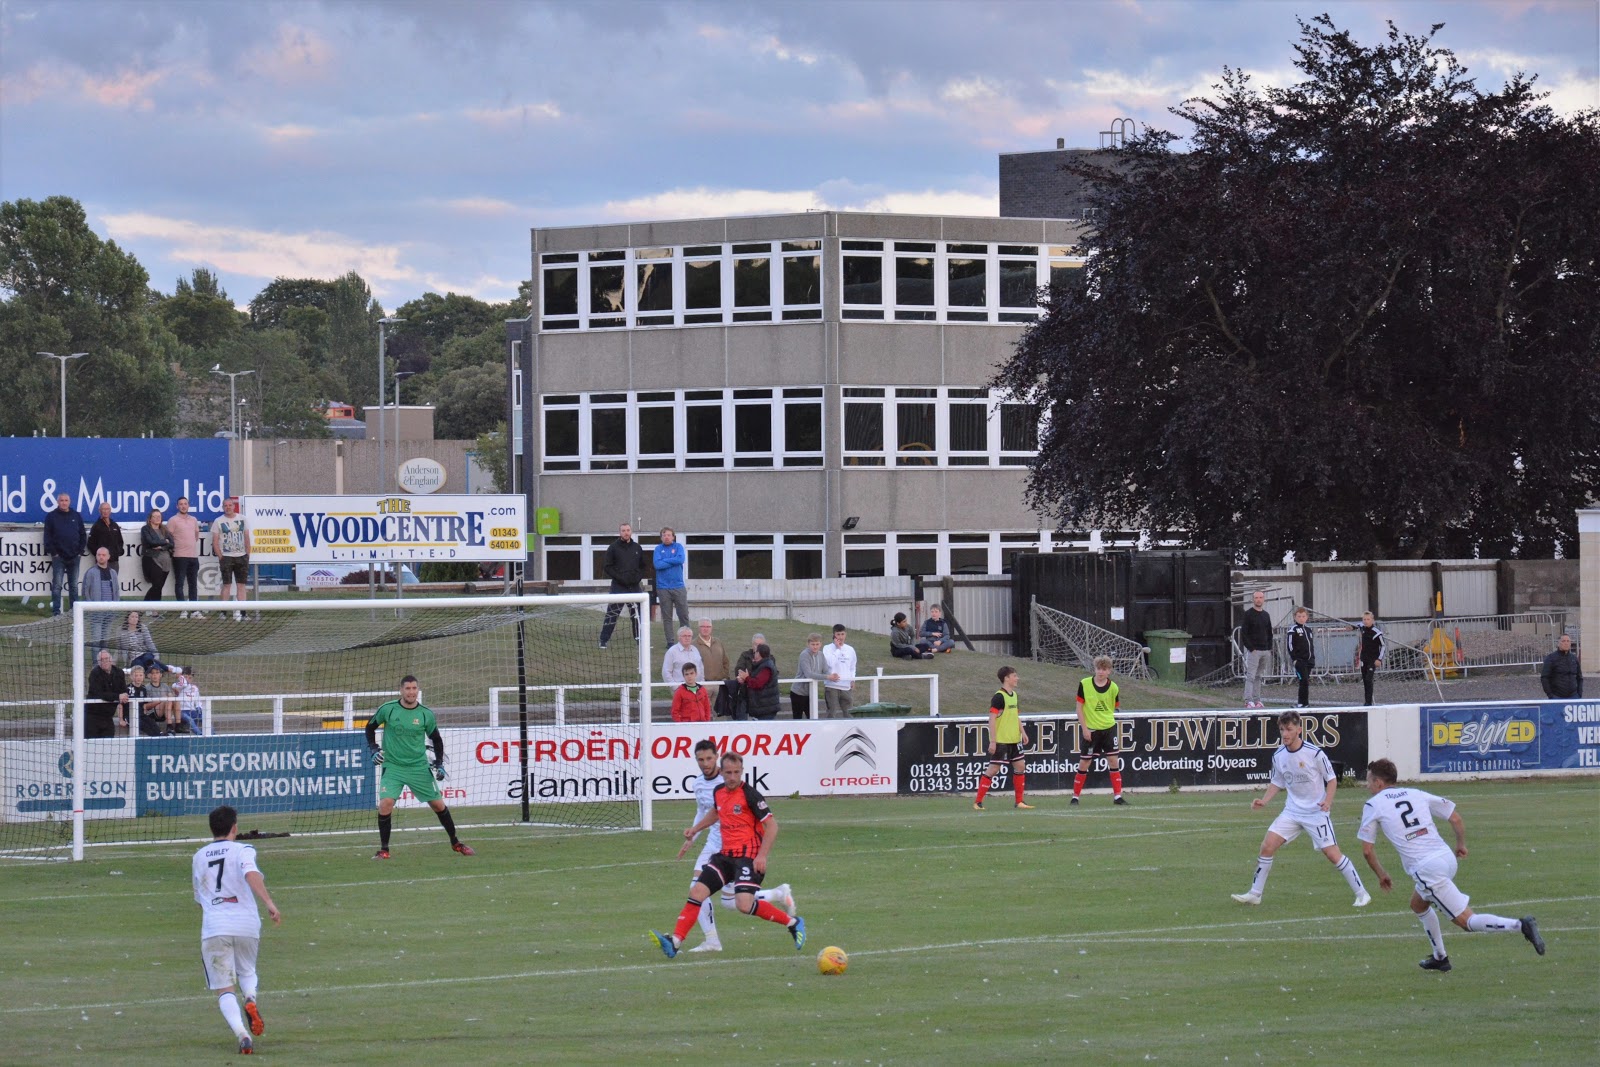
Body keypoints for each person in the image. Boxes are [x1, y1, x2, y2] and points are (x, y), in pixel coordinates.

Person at [1357, 758, 1545, 972]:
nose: (1367, 785)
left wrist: (1381, 874)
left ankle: (1520, 925)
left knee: (1467, 921)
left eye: (1369, 780)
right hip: (1446, 858)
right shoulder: (1416, 793)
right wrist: (1461, 845)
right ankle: (1440, 958)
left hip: (1427, 868)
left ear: (1379, 782)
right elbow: (1455, 818)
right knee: (1418, 904)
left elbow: (1367, 850)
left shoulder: (1373, 804)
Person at [651, 751, 805, 958]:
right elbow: (716, 812)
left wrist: (762, 856)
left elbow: (772, 826)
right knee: (696, 892)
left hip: (748, 858)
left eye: (737, 772)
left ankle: (793, 923)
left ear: (742, 771)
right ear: (721, 772)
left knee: (742, 905)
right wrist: (695, 829)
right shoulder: (719, 791)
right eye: (729, 773)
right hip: (725, 856)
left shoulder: (750, 794)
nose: (733, 777)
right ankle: (675, 942)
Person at [1230, 710, 1370, 907]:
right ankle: (1255, 893)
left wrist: (1327, 802)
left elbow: (1331, 779)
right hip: (1292, 811)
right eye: (1281, 730)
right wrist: (1265, 800)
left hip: (1316, 813)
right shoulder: (1279, 755)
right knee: (1267, 846)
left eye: (1289, 729)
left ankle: (1362, 893)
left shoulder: (1314, 753)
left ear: (1299, 729)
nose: (1285, 734)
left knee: (1332, 854)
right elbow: (1277, 781)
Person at [192, 804, 281, 1055]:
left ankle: (243, 1035)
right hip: (246, 923)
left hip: (215, 927)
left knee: (224, 987)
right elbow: (252, 874)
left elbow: (199, 898)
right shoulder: (243, 849)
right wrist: (269, 903)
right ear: (235, 828)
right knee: (247, 970)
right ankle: (250, 998)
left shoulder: (198, 857)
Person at [365, 675, 474, 859]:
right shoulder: (388, 709)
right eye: (407, 688)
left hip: (418, 767)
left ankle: (456, 843)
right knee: (385, 804)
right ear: (401, 690)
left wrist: (439, 763)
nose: (411, 692)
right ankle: (384, 850)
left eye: (414, 688)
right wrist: (374, 749)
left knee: (438, 805)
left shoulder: (425, 714)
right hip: (393, 767)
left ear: (418, 690)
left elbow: (436, 739)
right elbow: (369, 728)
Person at [973, 665, 1031, 810]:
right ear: (1006, 678)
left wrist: (1022, 732)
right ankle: (978, 802)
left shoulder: (1015, 695)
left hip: (1014, 739)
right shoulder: (999, 697)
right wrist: (993, 741)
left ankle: (1019, 802)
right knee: (993, 769)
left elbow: (1015, 716)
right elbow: (992, 718)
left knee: (1020, 766)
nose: (1017, 678)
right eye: (1015, 676)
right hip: (1001, 740)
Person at [1071, 655, 1127, 805]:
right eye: (1098, 669)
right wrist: (1085, 729)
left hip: (1108, 728)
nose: (1100, 672)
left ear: (1109, 671)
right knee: (1084, 763)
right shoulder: (1084, 684)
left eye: (1104, 669)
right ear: (1094, 669)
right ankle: (1075, 797)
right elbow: (1079, 708)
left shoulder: (1114, 687)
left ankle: (1118, 797)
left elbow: (1114, 706)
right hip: (1091, 730)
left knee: (1113, 761)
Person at [598, 522, 646, 649]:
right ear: (620, 532)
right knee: (612, 614)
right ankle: (603, 640)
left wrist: (635, 578)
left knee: (637, 615)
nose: (626, 532)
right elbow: (607, 567)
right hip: (618, 587)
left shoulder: (637, 548)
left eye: (628, 530)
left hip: (634, 587)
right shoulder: (613, 547)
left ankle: (639, 639)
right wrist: (621, 578)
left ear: (631, 531)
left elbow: (642, 567)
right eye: (623, 530)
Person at [43, 492, 86, 617]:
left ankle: (74, 612)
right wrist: (54, 553)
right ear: (58, 502)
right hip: (59, 557)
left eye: (66, 500)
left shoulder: (76, 516)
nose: (64, 502)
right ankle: (56, 612)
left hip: (74, 557)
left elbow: (83, 534)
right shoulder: (51, 516)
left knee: (73, 586)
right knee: (57, 585)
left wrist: (79, 552)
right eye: (61, 500)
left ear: (69, 502)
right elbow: (47, 536)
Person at [213, 496, 252, 619]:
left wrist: (247, 554)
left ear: (234, 506)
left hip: (241, 557)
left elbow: (247, 538)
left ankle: (243, 613)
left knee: (241, 585)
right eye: (225, 505)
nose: (228, 507)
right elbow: (215, 541)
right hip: (226, 557)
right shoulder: (218, 521)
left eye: (230, 505)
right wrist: (221, 556)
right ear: (223, 507)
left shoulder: (243, 519)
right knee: (226, 585)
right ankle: (223, 612)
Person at [653, 527, 690, 649]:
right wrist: (672, 561)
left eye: (669, 535)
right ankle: (670, 642)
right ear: (661, 537)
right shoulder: (658, 549)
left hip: (678, 587)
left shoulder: (678, 547)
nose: (666, 537)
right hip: (663, 588)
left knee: (683, 615)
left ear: (673, 536)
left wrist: (666, 561)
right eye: (664, 535)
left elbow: (681, 559)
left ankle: (685, 638)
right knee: (667, 617)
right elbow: (657, 565)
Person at [79, 546, 120, 654]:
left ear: (108, 557)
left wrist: (115, 607)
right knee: (96, 639)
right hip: (96, 612)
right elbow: (85, 591)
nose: (101, 557)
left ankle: (104, 662)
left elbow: (116, 591)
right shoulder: (91, 572)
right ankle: (95, 663)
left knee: (105, 640)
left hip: (110, 611)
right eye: (99, 555)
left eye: (103, 555)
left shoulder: (113, 573)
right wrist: (90, 606)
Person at [1240, 590, 1274, 709]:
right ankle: (1248, 700)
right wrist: (1251, 648)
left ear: (1263, 599)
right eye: (1256, 597)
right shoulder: (1248, 614)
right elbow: (1244, 633)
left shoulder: (1266, 615)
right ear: (1253, 599)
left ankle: (1257, 699)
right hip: (1254, 651)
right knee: (1251, 676)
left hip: (1265, 650)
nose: (1258, 599)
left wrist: (1269, 648)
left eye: (1260, 597)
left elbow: (1269, 632)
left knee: (1259, 676)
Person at [167, 496, 202, 613]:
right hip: (179, 556)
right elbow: (168, 537)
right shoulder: (173, 520)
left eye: (185, 504)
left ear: (188, 505)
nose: (183, 506)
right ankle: (183, 610)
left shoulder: (193, 520)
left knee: (193, 584)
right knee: (180, 583)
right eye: (181, 504)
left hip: (193, 556)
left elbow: (196, 536)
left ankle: (194, 611)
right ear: (177, 506)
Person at [693, 619, 732, 717]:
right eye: (703, 626)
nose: (705, 629)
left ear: (711, 628)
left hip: (719, 684)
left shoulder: (718, 642)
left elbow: (725, 661)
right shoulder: (693, 645)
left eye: (708, 627)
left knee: (719, 714)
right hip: (703, 685)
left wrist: (724, 676)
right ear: (698, 628)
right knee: (702, 713)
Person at [85, 649, 127, 738]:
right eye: (101, 660)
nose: (104, 661)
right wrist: (118, 696)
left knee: (108, 744)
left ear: (111, 659)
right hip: (92, 716)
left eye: (106, 659)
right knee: (91, 745)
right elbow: (100, 694)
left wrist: (123, 695)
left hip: (108, 717)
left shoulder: (119, 673)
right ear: (98, 662)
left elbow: (123, 691)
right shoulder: (94, 674)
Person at [821, 624, 857, 718]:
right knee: (832, 712)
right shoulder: (827, 648)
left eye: (842, 634)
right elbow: (830, 663)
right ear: (834, 635)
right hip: (832, 685)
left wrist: (852, 679)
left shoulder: (850, 649)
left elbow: (852, 666)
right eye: (838, 634)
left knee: (849, 713)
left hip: (846, 686)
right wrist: (838, 649)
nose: (840, 637)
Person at [790, 632, 828, 719]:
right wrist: (827, 677)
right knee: (797, 718)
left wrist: (832, 675)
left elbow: (826, 670)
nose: (815, 647)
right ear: (808, 644)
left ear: (821, 644)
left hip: (811, 692)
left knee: (812, 717)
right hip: (798, 692)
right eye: (813, 644)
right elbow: (808, 674)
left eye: (817, 644)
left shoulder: (821, 655)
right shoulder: (804, 655)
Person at [140, 508, 174, 602]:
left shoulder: (164, 529)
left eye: (159, 516)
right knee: (157, 585)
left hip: (165, 562)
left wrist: (161, 547)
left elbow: (172, 543)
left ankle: (155, 611)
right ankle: (140, 610)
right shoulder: (146, 529)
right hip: (152, 559)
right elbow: (150, 542)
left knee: (159, 587)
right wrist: (164, 541)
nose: (157, 518)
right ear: (150, 519)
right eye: (154, 516)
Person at [740, 642, 781, 721]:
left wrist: (746, 678)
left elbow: (757, 683)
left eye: (755, 652)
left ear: (759, 654)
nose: (754, 654)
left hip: (766, 708)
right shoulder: (764, 665)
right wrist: (746, 679)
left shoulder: (766, 667)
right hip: (763, 706)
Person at [1285, 606, 1315, 709]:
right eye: (1299, 616)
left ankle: (1306, 703)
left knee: (1306, 681)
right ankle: (1301, 703)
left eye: (1303, 616)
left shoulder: (1308, 630)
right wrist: (1295, 659)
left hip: (1309, 661)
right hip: (1299, 661)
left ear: (1307, 617)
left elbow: (1311, 645)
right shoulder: (1293, 630)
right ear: (1295, 617)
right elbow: (1290, 645)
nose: (1301, 618)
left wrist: (1312, 658)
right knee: (1303, 680)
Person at [1354, 611, 1385, 707]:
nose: (1366, 621)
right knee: (1364, 680)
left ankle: (1369, 702)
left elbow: (1383, 646)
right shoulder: (1362, 627)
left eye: (1368, 619)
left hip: (1373, 659)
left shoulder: (1377, 633)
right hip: (1364, 659)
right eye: (1364, 619)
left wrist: (1379, 659)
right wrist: (1351, 627)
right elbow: (1356, 625)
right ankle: (1367, 701)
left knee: (1368, 679)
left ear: (1373, 620)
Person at [1541, 634, 1583, 699]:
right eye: (1563, 641)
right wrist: (1550, 695)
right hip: (1557, 697)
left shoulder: (1574, 658)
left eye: (1568, 641)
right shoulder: (1551, 658)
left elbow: (1579, 677)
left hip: (1574, 696)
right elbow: (1544, 678)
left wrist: (1579, 694)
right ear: (1559, 643)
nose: (1566, 643)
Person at [86, 501, 125, 567]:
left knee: (113, 577)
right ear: (100, 511)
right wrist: (100, 555)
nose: (105, 511)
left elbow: (120, 541)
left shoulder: (114, 525)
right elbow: (90, 544)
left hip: (114, 561)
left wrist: (117, 552)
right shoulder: (96, 526)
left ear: (110, 511)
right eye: (103, 509)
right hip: (101, 562)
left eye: (107, 509)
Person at [177, 667, 204, 735]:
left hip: (192, 710)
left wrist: (199, 707)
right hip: (182, 711)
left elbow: (198, 700)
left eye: (190, 678)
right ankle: (199, 734)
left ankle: (212, 734)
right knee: (190, 720)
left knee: (206, 719)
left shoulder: (195, 688)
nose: (188, 679)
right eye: (186, 677)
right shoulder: (178, 686)